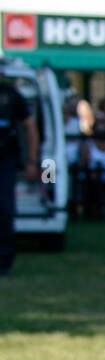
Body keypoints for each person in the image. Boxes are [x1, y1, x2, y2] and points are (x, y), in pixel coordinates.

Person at [0, 74, 40, 276]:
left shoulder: (10, 95)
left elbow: (30, 126)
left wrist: (31, 161)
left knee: (5, 210)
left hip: (5, 161)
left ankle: (4, 262)